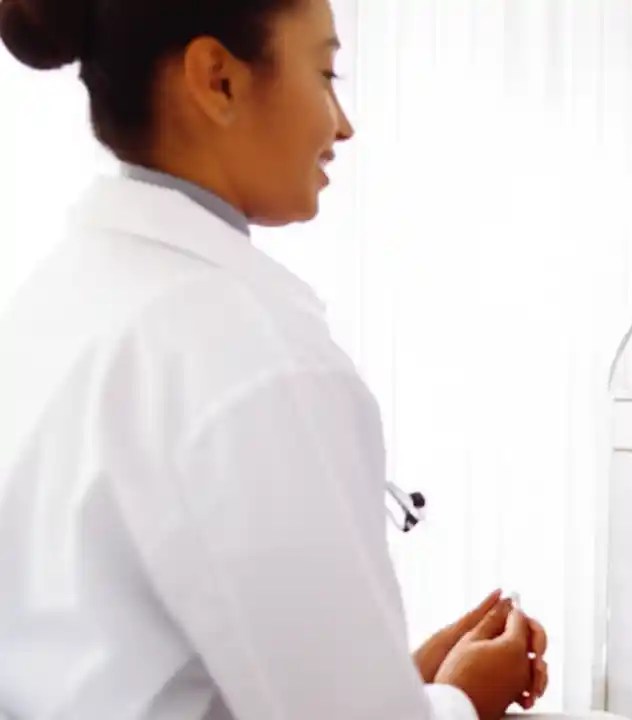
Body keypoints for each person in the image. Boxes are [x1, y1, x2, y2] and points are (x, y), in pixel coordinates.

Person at [0, 1, 546, 718]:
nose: (341, 124)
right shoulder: (250, 355)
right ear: (217, 79)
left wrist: (400, 681)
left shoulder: (53, 305)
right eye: (325, 72)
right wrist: (462, 699)